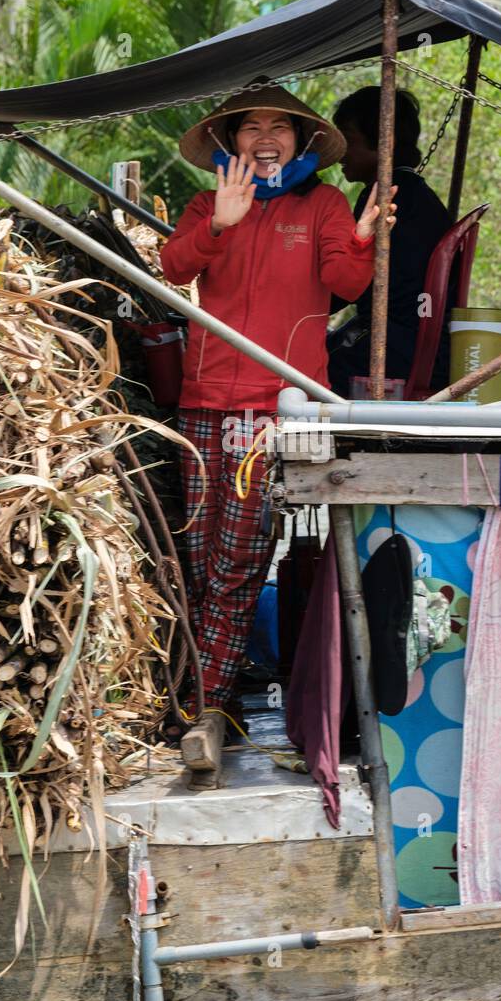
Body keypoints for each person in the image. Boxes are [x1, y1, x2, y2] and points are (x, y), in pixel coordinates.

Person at [159, 82, 395, 736]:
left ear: (303, 140)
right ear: (230, 140)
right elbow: (174, 267)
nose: (266, 139)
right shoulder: (208, 202)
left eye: (280, 128)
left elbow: (346, 283)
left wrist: (365, 239)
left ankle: (203, 707)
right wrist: (218, 226)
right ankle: (218, 696)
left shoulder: (321, 204)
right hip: (204, 403)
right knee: (201, 562)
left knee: (238, 561)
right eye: (250, 128)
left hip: (274, 412)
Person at [327, 86, 452, 397]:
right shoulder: (416, 194)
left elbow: (347, 287)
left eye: (349, 140)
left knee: (304, 362)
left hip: (394, 347)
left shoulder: (384, 198)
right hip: (421, 345)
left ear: (384, 142)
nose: (341, 152)